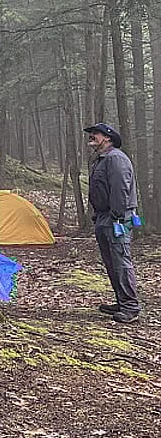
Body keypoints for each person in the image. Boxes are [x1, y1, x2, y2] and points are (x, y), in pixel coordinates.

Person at [84, 122, 140, 323]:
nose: (91, 136)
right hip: (103, 217)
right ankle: (122, 301)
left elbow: (120, 189)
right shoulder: (101, 159)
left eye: (95, 134)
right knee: (111, 262)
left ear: (107, 138)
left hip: (117, 218)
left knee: (121, 262)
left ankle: (131, 307)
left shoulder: (116, 159)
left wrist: (117, 216)